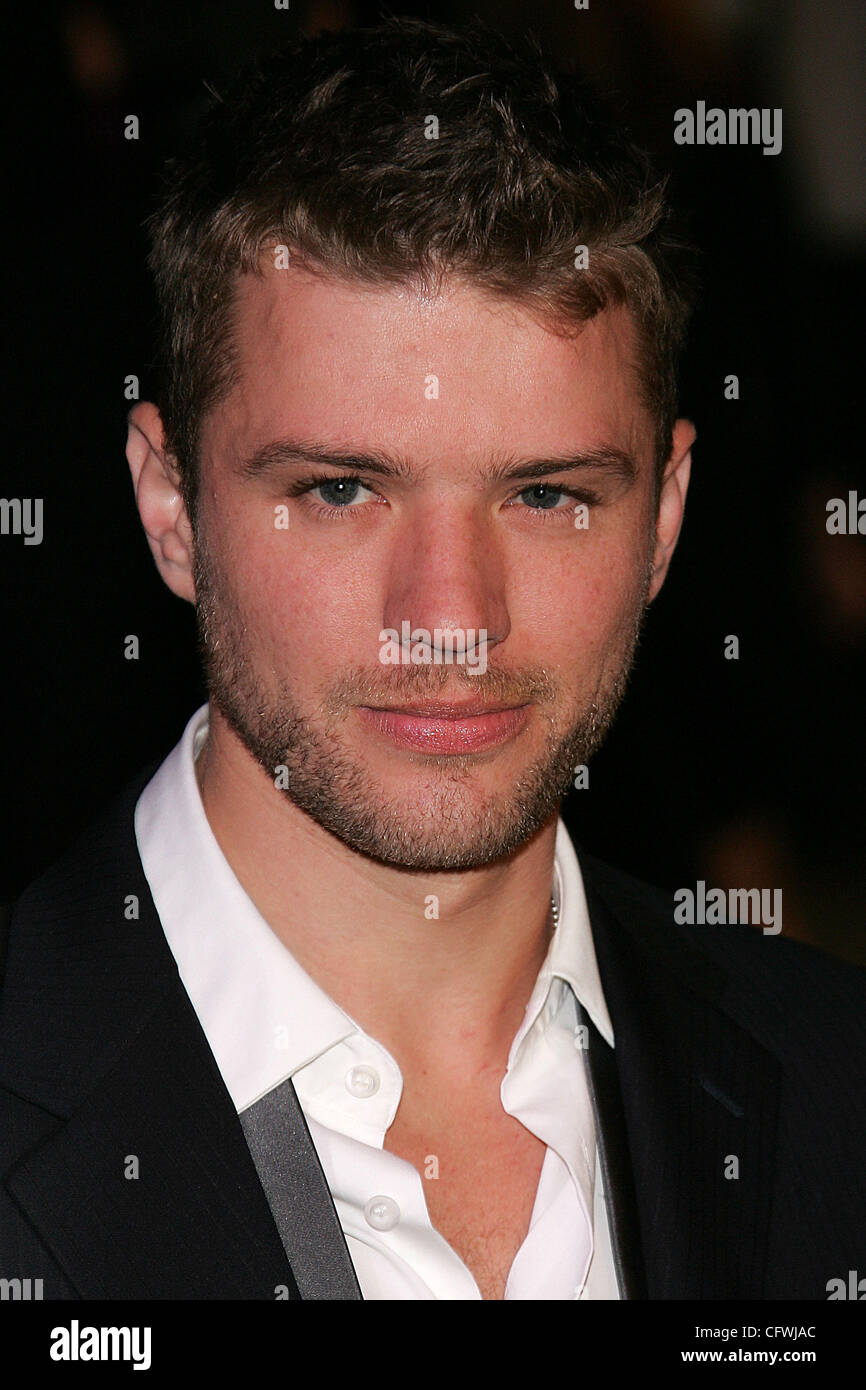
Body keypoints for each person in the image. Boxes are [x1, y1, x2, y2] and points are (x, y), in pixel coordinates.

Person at [1, 16, 863, 1302]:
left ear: (665, 517)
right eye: (343, 490)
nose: (451, 614)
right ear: (169, 503)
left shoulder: (837, 1081)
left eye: (548, 495)